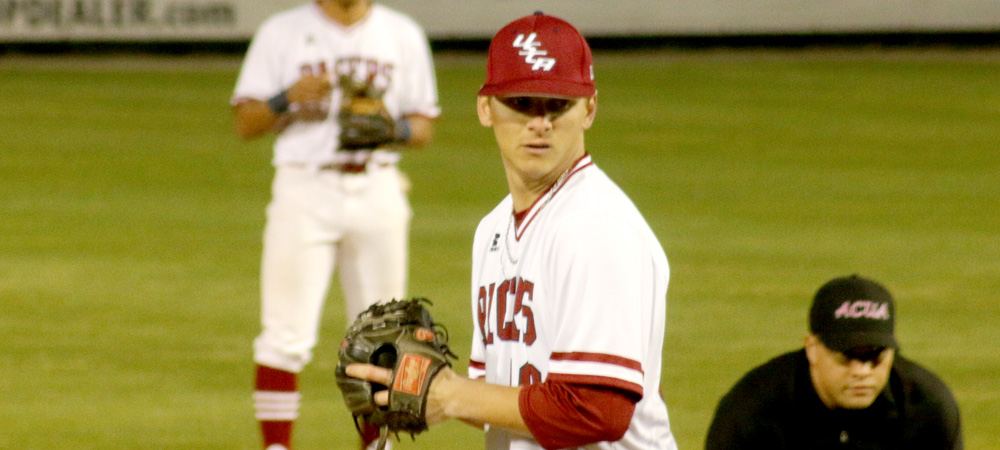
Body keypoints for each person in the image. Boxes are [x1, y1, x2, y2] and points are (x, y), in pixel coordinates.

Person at [345, 11, 678, 450]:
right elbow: (500, 401)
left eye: (557, 104)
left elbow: (598, 411)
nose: (539, 122)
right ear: (486, 108)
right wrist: (421, 387)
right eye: (521, 103)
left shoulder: (596, 226)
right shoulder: (493, 230)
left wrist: (449, 392)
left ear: (590, 109)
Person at [229, 1, 440, 449]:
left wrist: (393, 128)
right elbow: (246, 122)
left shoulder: (401, 34)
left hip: (378, 187)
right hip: (305, 189)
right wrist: (287, 97)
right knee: (284, 336)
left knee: (383, 336)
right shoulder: (281, 32)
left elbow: (423, 125)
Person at [705, 274, 964, 450]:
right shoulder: (753, 410)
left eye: (876, 359)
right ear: (812, 348)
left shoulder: (927, 408)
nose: (862, 372)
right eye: (846, 357)